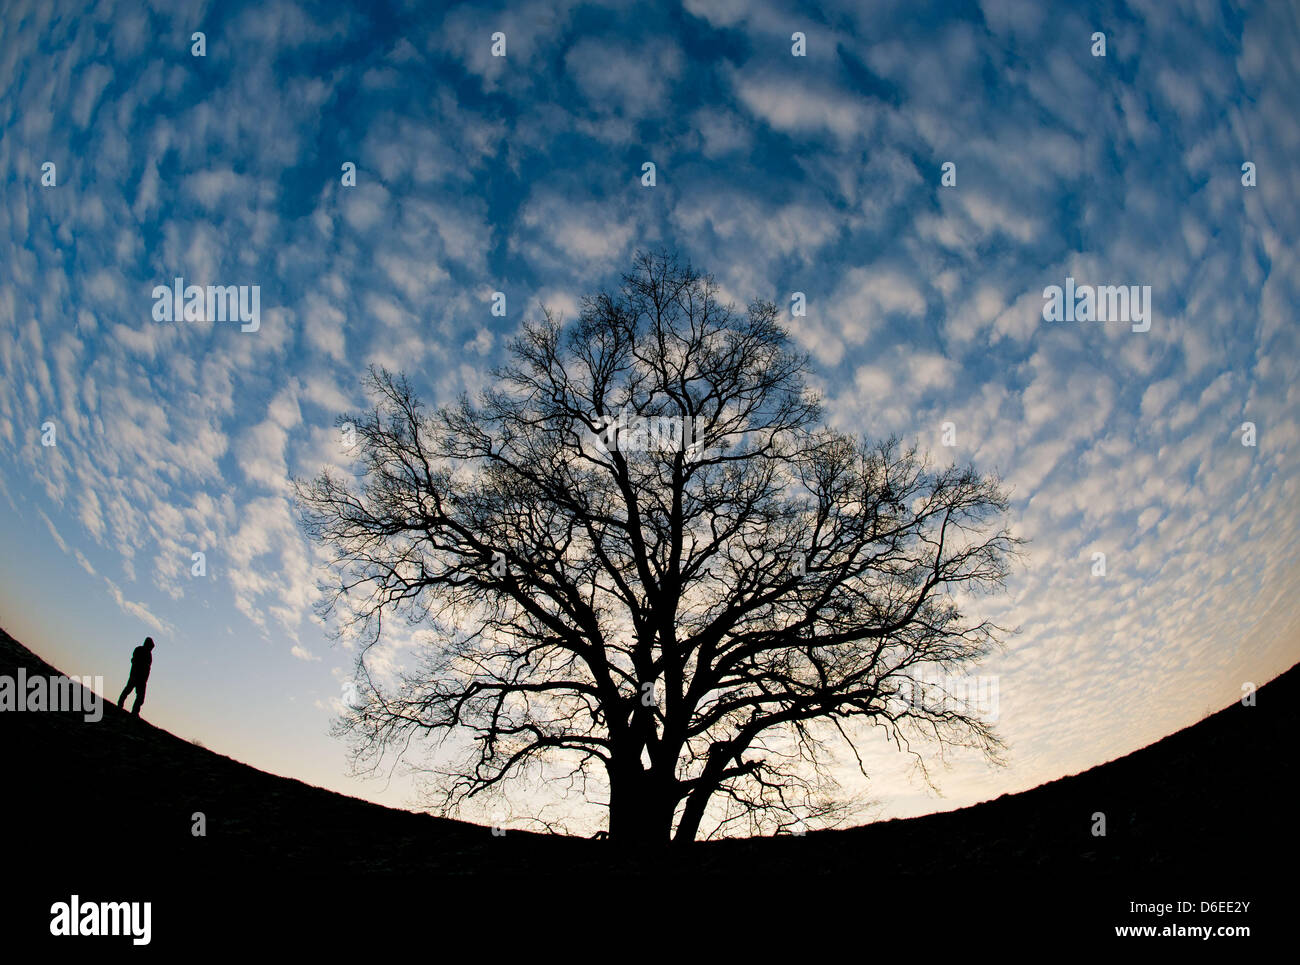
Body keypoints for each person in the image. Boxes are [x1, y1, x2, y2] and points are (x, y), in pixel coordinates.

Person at [117, 637, 155, 716]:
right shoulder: (139, 650)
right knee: (128, 690)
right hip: (136, 676)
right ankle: (121, 704)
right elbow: (134, 661)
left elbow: (147, 668)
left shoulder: (148, 654)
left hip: (141, 679)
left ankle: (135, 711)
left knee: (139, 697)